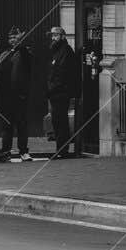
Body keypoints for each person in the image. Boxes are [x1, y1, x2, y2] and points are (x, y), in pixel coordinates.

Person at [0, 27, 33, 162]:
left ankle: (23, 151)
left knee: (21, 125)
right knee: (7, 126)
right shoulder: (4, 54)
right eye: (11, 38)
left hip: (19, 96)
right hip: (5, 97)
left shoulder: (24, 52)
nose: (12, 40)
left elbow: (26, 57)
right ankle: (6, 151)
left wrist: (21, 41)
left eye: (15, 38)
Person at [46, 25, 80, 158]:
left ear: (63, 36)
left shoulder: (65, 51)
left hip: (61, 92)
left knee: (61, 121)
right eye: (52, 35)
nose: (53, 38)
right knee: (56, 121)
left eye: (56, 35)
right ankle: (60, 149)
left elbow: (63, 73)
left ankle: (62, 150)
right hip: (55, 92)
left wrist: (53, 88)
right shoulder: (56, 51)